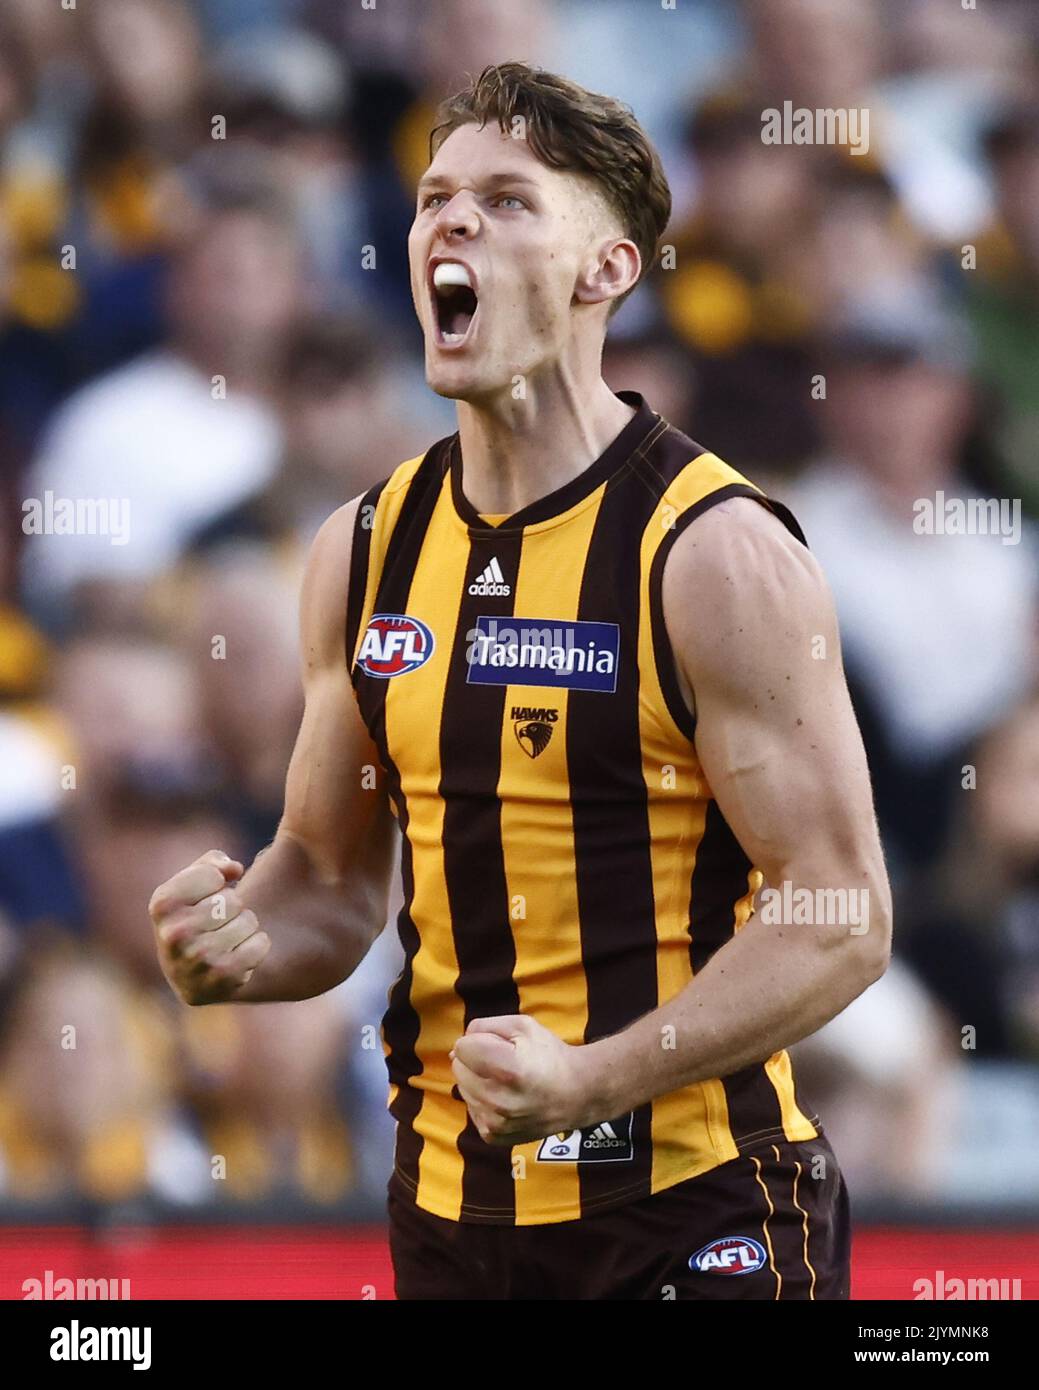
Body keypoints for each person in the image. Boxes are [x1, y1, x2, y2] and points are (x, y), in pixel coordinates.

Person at [148, 63, 891, 1301]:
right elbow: (331, 882)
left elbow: (842, 914)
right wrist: (232, 940)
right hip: (449, 1217)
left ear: (607, 271)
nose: (450, 222)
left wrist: (600, 1077)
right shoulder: (368, 546)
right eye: (436, 196)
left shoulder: (710, 549)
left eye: (505, 200)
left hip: (690, 1211)